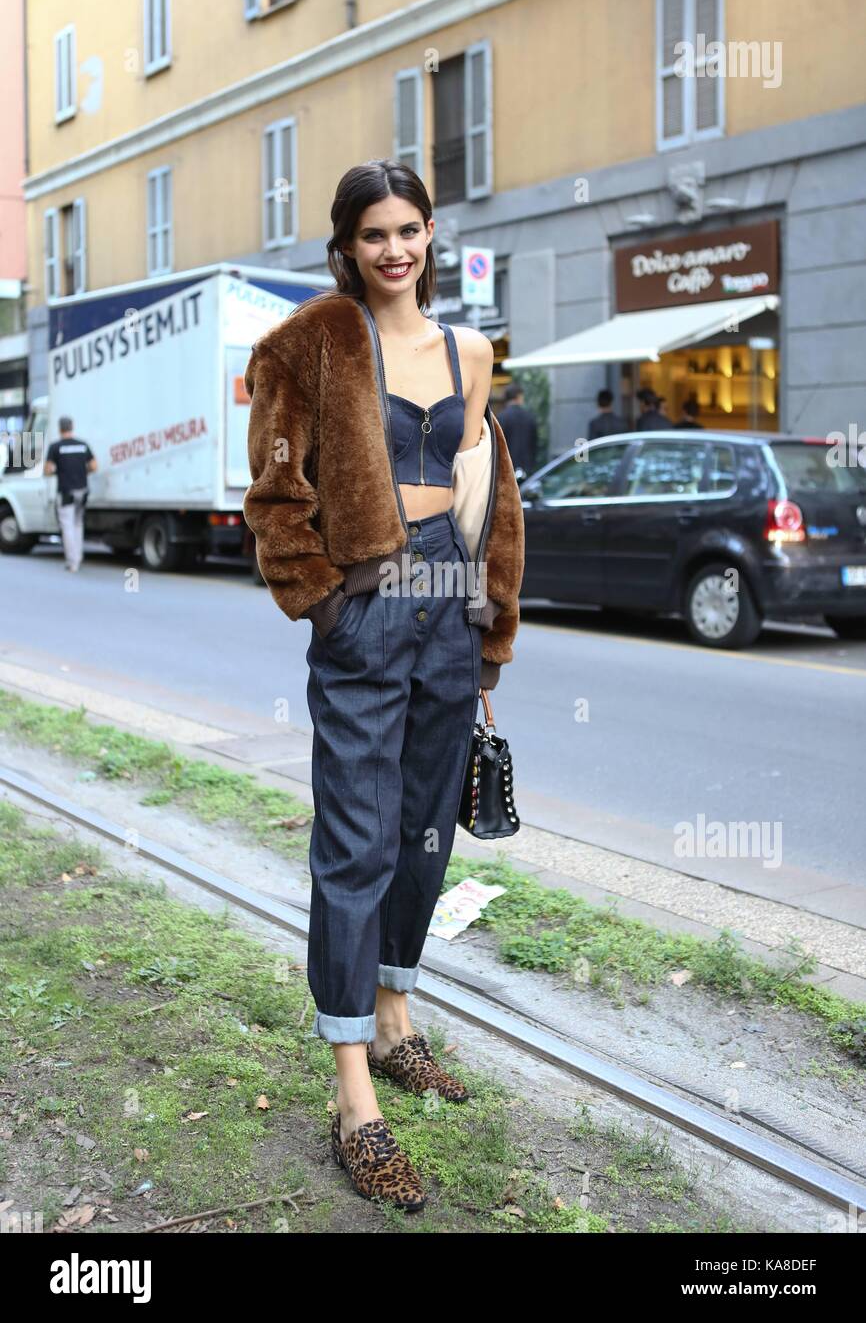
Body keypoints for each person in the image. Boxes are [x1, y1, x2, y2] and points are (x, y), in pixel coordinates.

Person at [243, 158, 525, 1211]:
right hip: (364, 601)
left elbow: (483, 494)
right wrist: (323, 601)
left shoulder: (470, 351)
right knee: (355, 841)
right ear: (346, 245)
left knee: (421, 832)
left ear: (431, 233)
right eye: (374, 235)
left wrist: (488, 632)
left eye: (408, 230)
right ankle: (353, 1096)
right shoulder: (307, 342)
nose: (394, 249)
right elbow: (275, 491)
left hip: (448, 604)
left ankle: (397, 1017)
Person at [44, 417, 97, 572]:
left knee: (67, 526)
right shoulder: (82, 445)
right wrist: (83, 472)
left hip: (66, 492)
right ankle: (78, 557)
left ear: (60, 428)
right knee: (78, 524)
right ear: (72, 427)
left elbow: (47, 470)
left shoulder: (55, 447)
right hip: (83, 491)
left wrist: (57, 471)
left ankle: (72, 562)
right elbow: (94, 465)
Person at [497, 382, 537, 479]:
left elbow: (497, 445)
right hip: (527, 469)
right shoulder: (529, 417)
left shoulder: (501, 417)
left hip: (507, 469)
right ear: (519, 396)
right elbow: (534, 444)